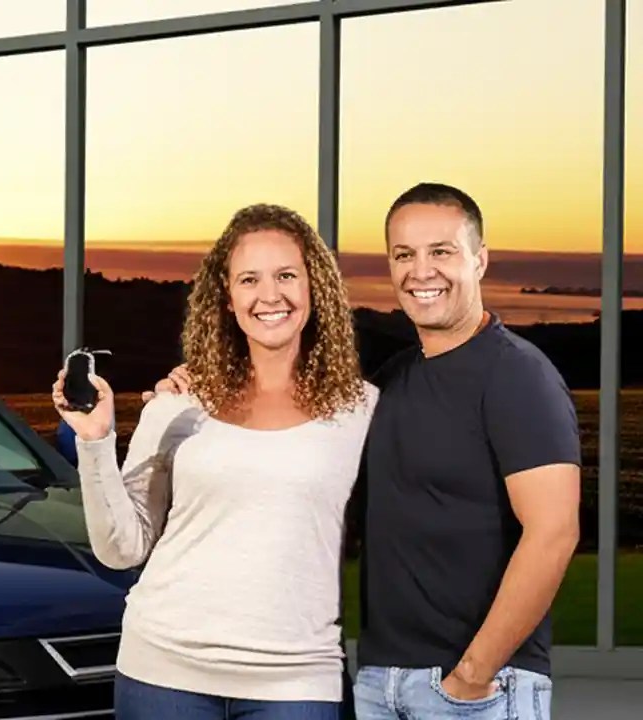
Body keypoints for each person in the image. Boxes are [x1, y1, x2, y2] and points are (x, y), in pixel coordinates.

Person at [149, 183, 581, 719]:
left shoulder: (518, 375)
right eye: (404, 255)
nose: (421, 271)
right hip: (381, 683)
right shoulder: (389, 383)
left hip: (477, 689)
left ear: (480, 260)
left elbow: (554, 532)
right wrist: (192, 393)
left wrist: (473, 675)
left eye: (441, 251)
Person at [53, 203, 378, 719]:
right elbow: (121, 548)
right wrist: (96, 441)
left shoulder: (362, 410)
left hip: (296, 677)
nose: (269, 295)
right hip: (162, 670)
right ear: (227, 298)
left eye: (286, 275)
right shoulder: (178, 404)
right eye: (249, 279)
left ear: (315, 286)